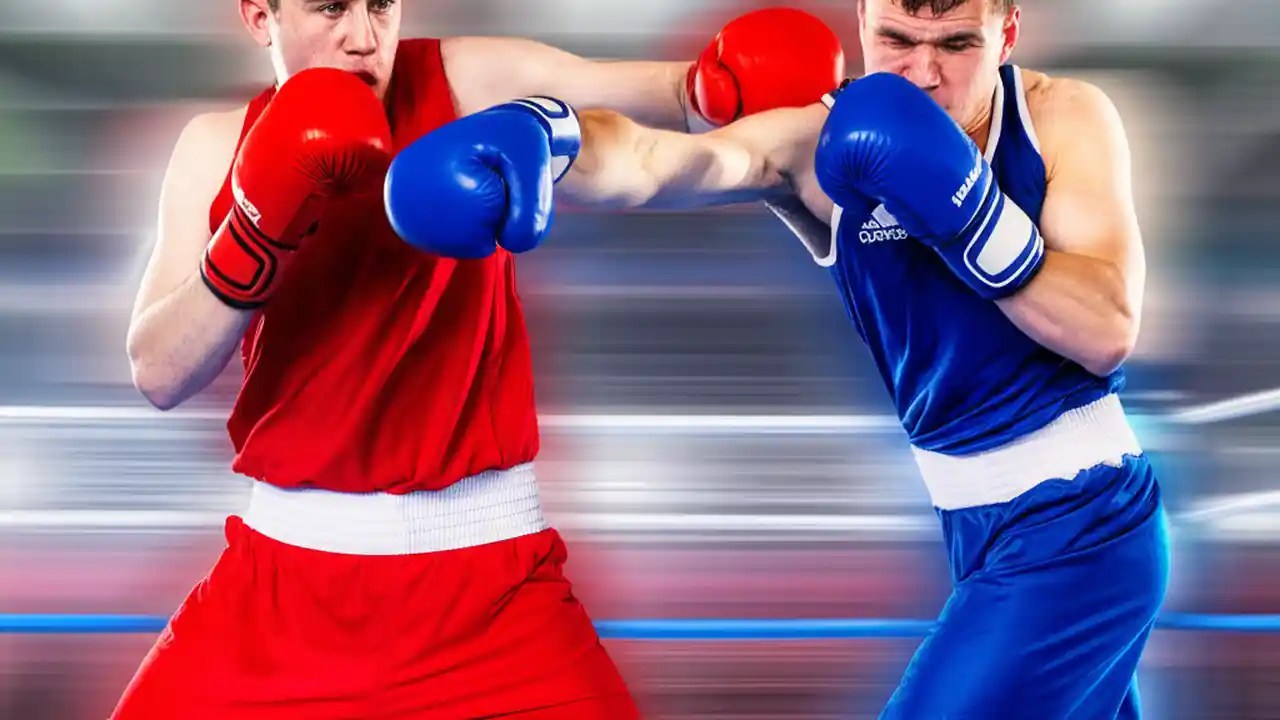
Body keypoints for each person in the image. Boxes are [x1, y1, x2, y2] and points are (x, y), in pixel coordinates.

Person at [386, 0, 1170, 717]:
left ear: (1007, 33)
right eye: (898, 41)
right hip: (976, 525)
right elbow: (667, 162)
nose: (924, 72)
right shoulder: (818, 145)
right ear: (863, 22)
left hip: (1084, 521)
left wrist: (967, 217)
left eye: (957, 44)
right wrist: (550, 138)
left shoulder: (1060, 118)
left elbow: (1107, 328)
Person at [117, 1, 844, 718]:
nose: (364, 38)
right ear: (258, 17)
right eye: (331, 9)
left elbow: (670, 97)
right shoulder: (214, 146)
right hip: (279, 589)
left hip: (490, 593)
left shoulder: (463, 80)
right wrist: (255, 228)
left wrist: (721, 86)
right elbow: (157, 372)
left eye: (381, 6)